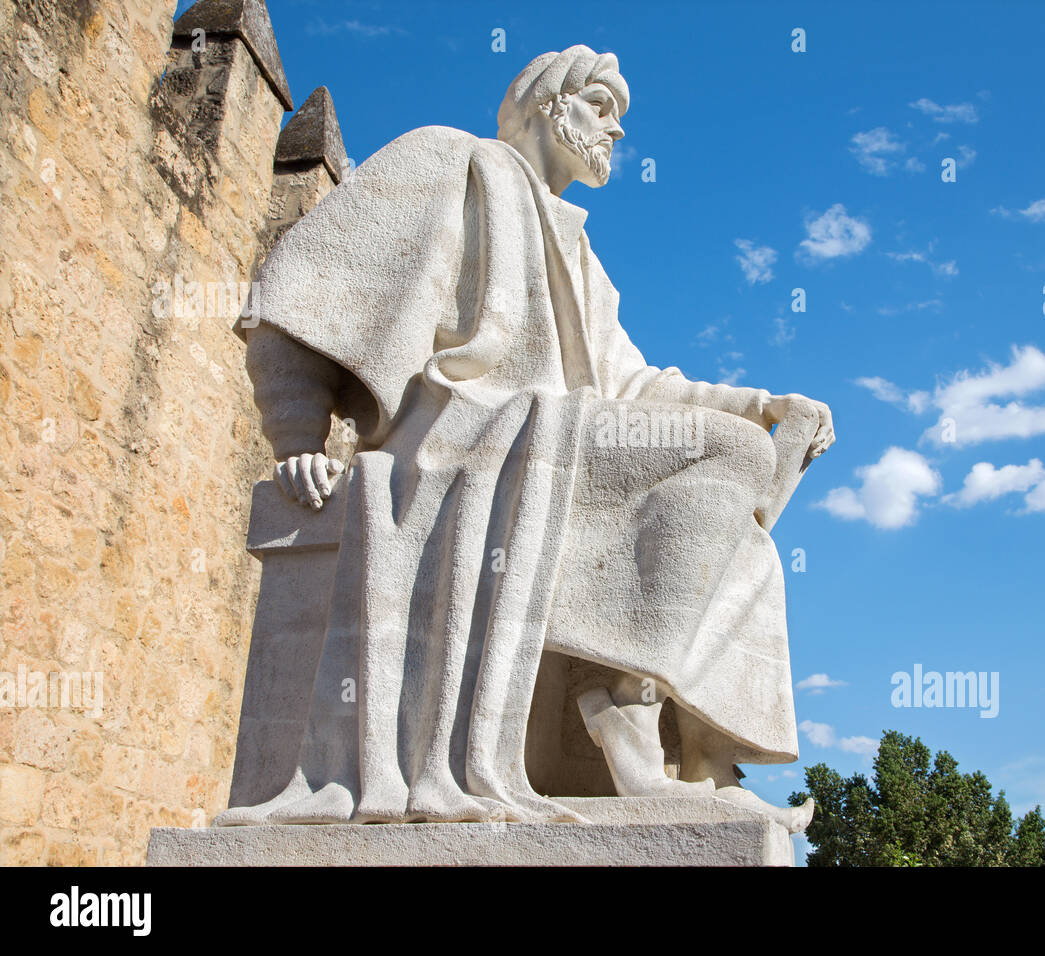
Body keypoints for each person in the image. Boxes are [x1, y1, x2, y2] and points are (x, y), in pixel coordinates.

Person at [217, 46, 832, 833]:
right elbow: (301, 290)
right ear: (549, 102)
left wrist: (760, 404)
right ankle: (628, 723)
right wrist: (297, 431)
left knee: (743, 509)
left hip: (559, 437)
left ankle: (701, 761)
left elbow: (635, 385)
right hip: (470, 433)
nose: (616, 131)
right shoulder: (451, 160)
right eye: (602, 107)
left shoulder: (583, 256)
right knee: (730, 458)